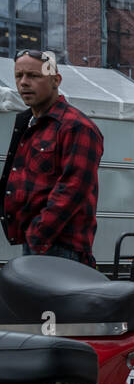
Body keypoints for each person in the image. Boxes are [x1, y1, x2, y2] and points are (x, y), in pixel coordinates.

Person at [1, 50, 103, 267]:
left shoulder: (76, 127)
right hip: (36, 242)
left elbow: (73, 188)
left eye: (34, 76)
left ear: (56, 80)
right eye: (19, 76)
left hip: (60, 247)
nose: (24, 83)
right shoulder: (30, 123)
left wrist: (37, 233)